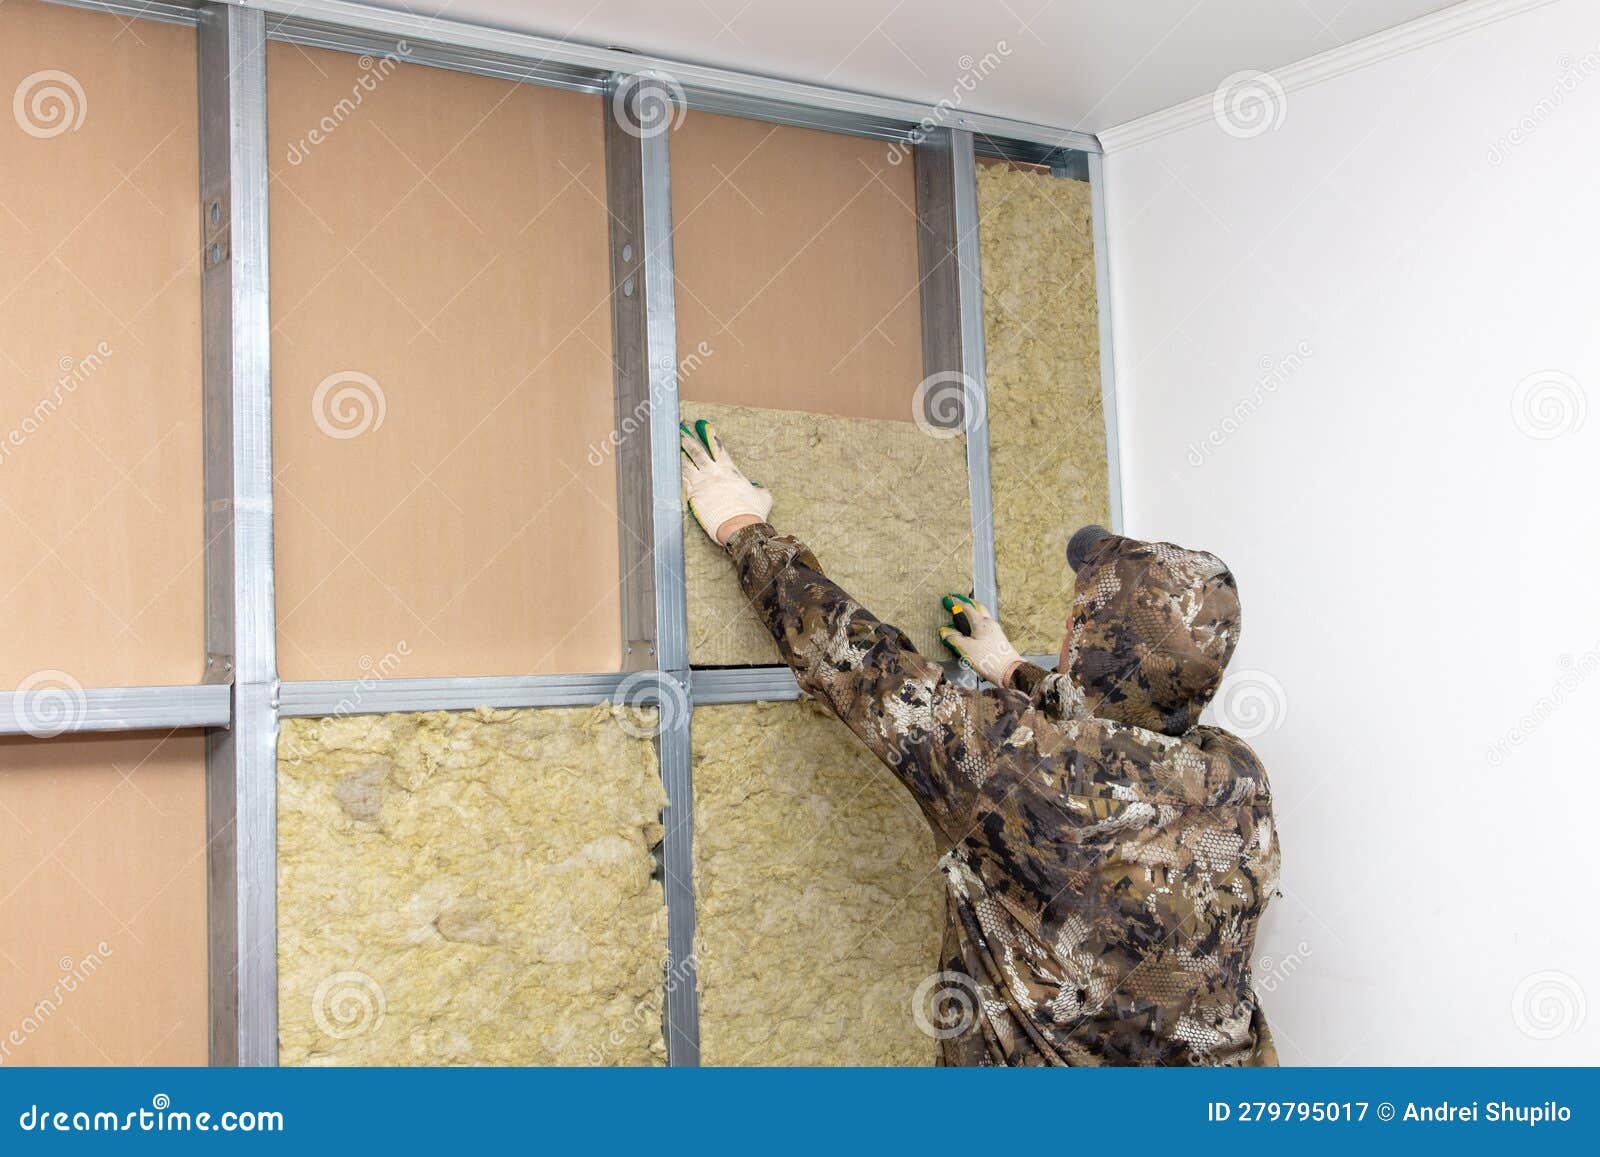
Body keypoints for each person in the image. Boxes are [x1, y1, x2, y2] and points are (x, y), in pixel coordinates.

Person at [680, 417, 1280, 1066]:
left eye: (1079, 613)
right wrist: (1013, 670)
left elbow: (853, 660)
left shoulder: (1008, 765)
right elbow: (1116, 743)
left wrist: (744, 528)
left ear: (1083, 639)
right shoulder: (1238, 776)